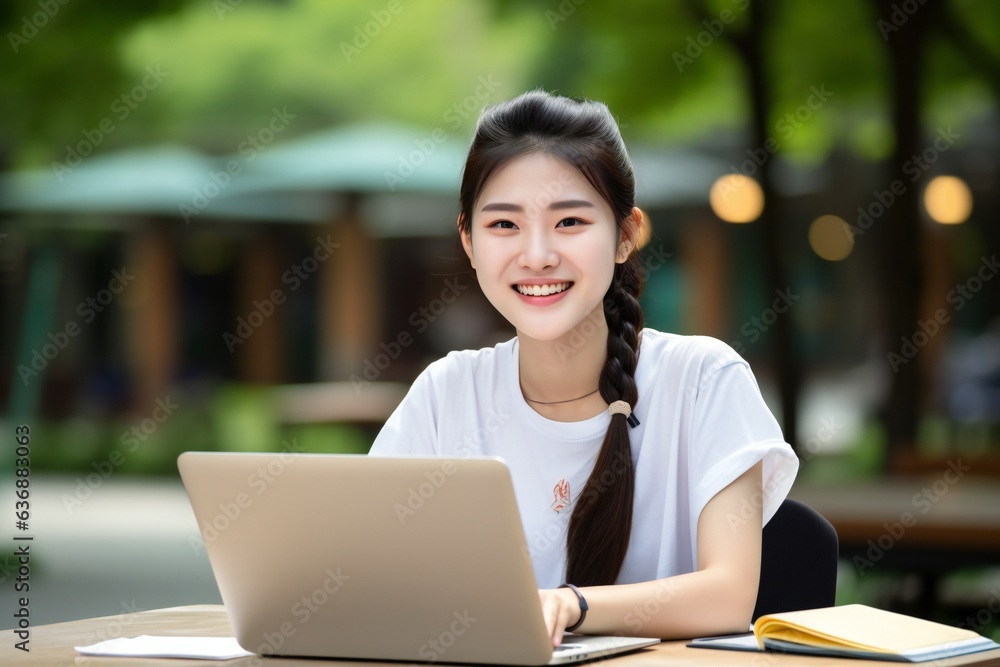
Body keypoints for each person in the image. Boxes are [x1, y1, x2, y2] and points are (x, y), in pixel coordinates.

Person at [368, 89, 799, 645]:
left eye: (569, 221)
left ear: (625, 235)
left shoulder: (704, 381)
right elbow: (372, 577)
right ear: (467, 241)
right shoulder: (445, 393)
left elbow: (729, 596)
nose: (537, 254)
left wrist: (571, 607)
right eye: (503, 225)